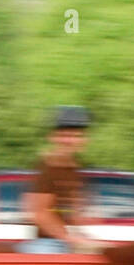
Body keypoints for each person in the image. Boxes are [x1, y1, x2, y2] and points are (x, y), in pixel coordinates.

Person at [20, 106, 96, 253]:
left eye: (75, 136)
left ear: (84, 139)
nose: (68, 141)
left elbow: (74, 212)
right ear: (52, 137)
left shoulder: (75, 170)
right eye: (64, 135)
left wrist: (85, 237)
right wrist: (69, 238)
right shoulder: (46, 167)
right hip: (46, 242)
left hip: (64, 240)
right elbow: (39, 214)